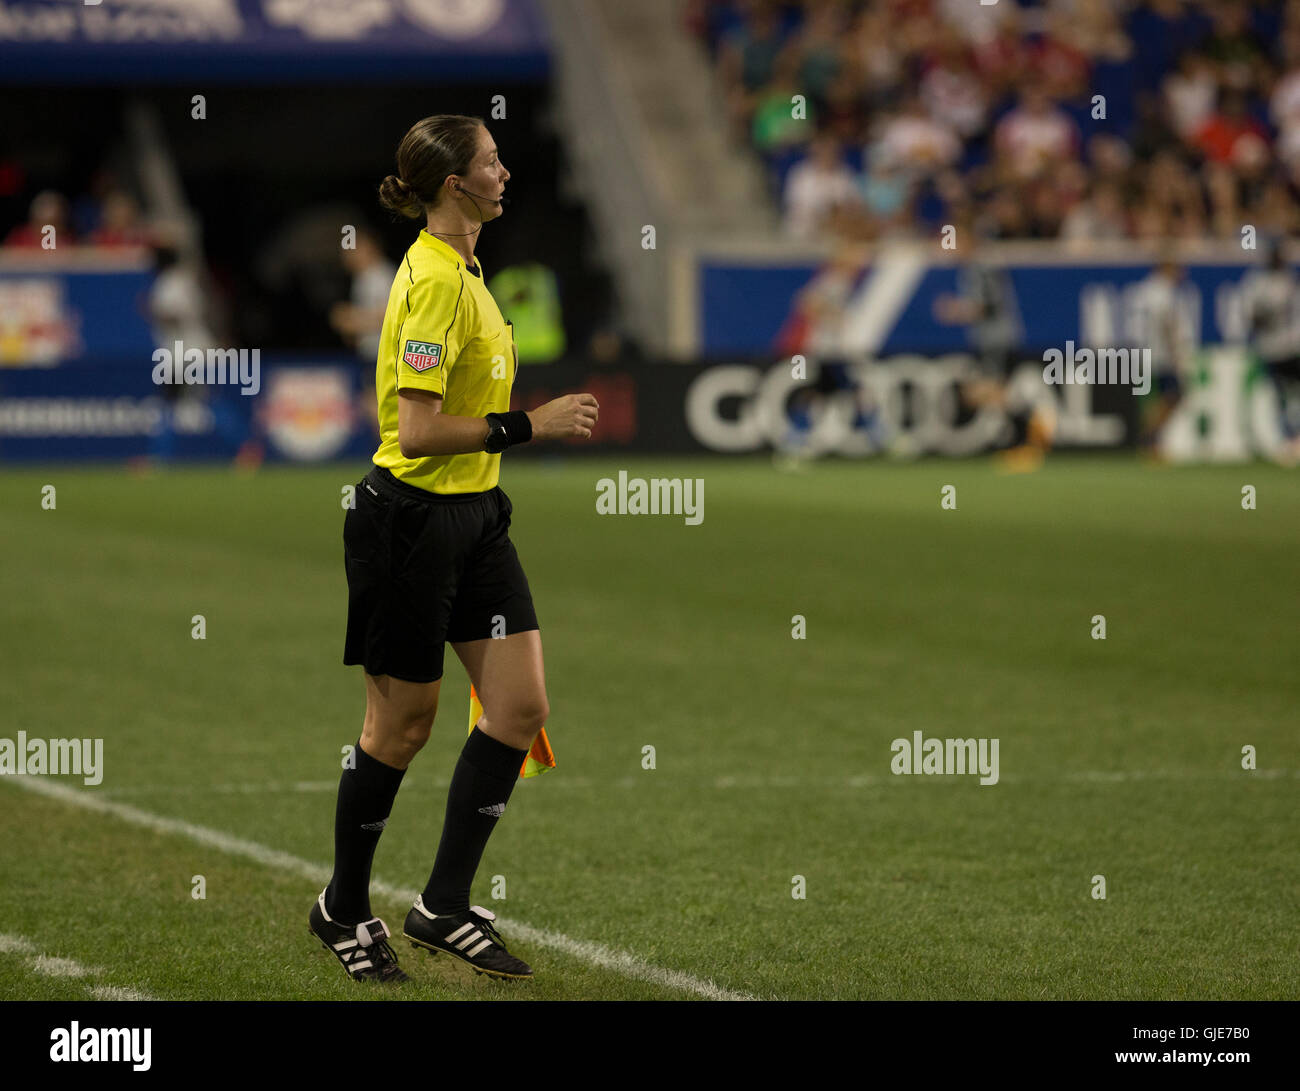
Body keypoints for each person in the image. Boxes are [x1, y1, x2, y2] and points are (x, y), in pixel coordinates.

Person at [308, 115, 599, 984]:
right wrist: (527, 425)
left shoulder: (468, 265)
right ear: (452, 185)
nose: (505, 171)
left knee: (518, 708)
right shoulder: (433, 279)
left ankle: (441, 902)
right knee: (401, 728)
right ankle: (343, 908)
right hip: (410, 522)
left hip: (476, 517)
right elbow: (419, 428)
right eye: (490, 161)